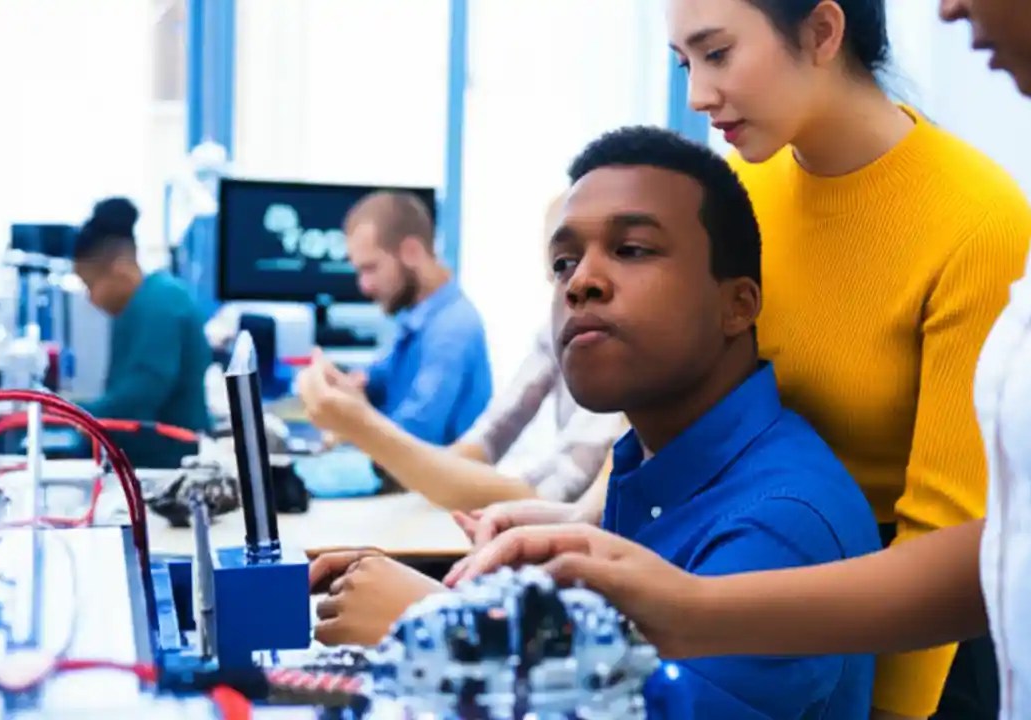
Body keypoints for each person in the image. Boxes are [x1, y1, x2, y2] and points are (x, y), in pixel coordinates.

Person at [453, 1, 1031, 718]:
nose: (697, 93)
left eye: (717, 53)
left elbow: (953, 525)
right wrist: (593, 528)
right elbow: (686, 395)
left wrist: (887, 710)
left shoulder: (979, 217)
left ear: (822, 32)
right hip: (767, 580)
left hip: (886, 630)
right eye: (683, 62)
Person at [309, 126, 883, 719]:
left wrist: (431, 625)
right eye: (563, 263)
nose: (580, 281)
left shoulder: (777, 526)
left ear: (737, 304)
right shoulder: (653, 469)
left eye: (632, 249)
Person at [296, 195, 625, 510]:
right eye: (562, 267)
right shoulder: (414, 321)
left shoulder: (453, 329)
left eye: (370, 269)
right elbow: (486, 440)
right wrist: (353, 400)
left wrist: (358, 425)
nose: (578, 286)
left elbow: (546, 498)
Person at [311, 191, 491, 450]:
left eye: (370, 268)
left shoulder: (452, 330)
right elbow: (383, 374)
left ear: (411, 251)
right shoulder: (419, 315)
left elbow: (413, 440)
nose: (364, 286)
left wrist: (354, 415)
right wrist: (350, 382)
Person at [71, 197, 211, 468]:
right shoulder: (139, 306)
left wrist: (85, 417)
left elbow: (148, 384)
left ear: (119, 269)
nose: (92, 299)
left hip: (168, 463)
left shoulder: (162, 302)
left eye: (91, 285)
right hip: (143, 461)